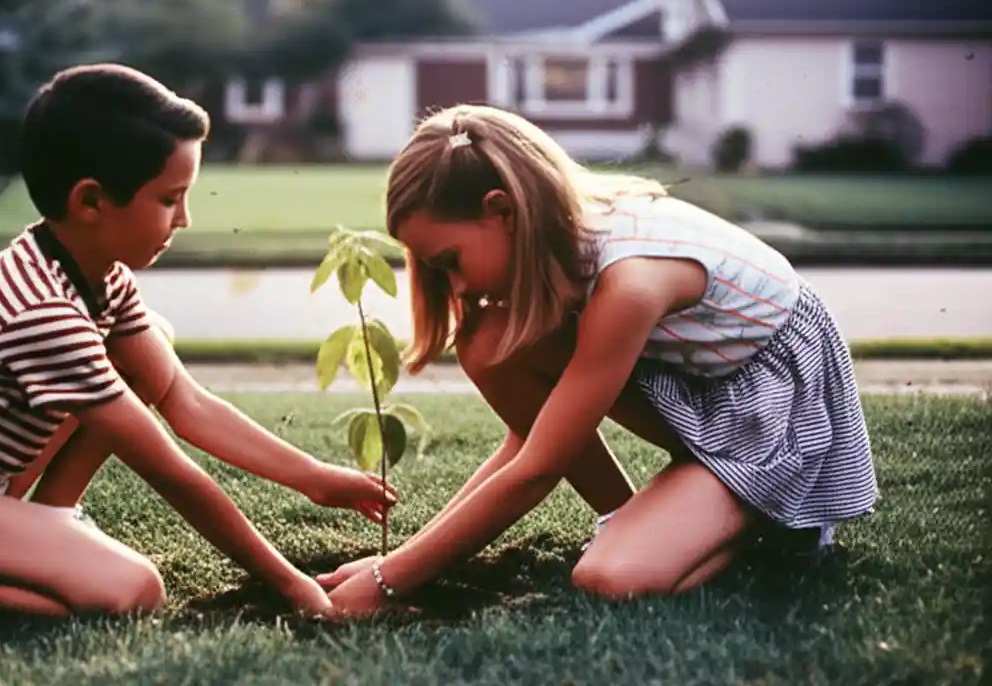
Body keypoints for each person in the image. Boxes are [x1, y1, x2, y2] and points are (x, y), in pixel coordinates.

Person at [0, 64, 395, 617]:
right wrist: (291, 583)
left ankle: (48, 519)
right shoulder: (37, 308)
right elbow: (171, 470)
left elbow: (185, 403)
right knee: (129, 591)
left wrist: (314, 477)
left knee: (147, 346)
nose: (185, 219)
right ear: (90, 200)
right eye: (169, 199)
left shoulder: (99, 274)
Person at [316, 104, 877, 615]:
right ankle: (631, 518)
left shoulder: (629, 279)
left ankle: (781, 527)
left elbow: (535, 468)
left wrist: (391, 582)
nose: (455, 287)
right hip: (702, 388)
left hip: (773, 413)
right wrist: (404, 563)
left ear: (501, 209)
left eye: (451, 261)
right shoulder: (562, 244)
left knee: (610, 577)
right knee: (489, 340)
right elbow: (534, 439)